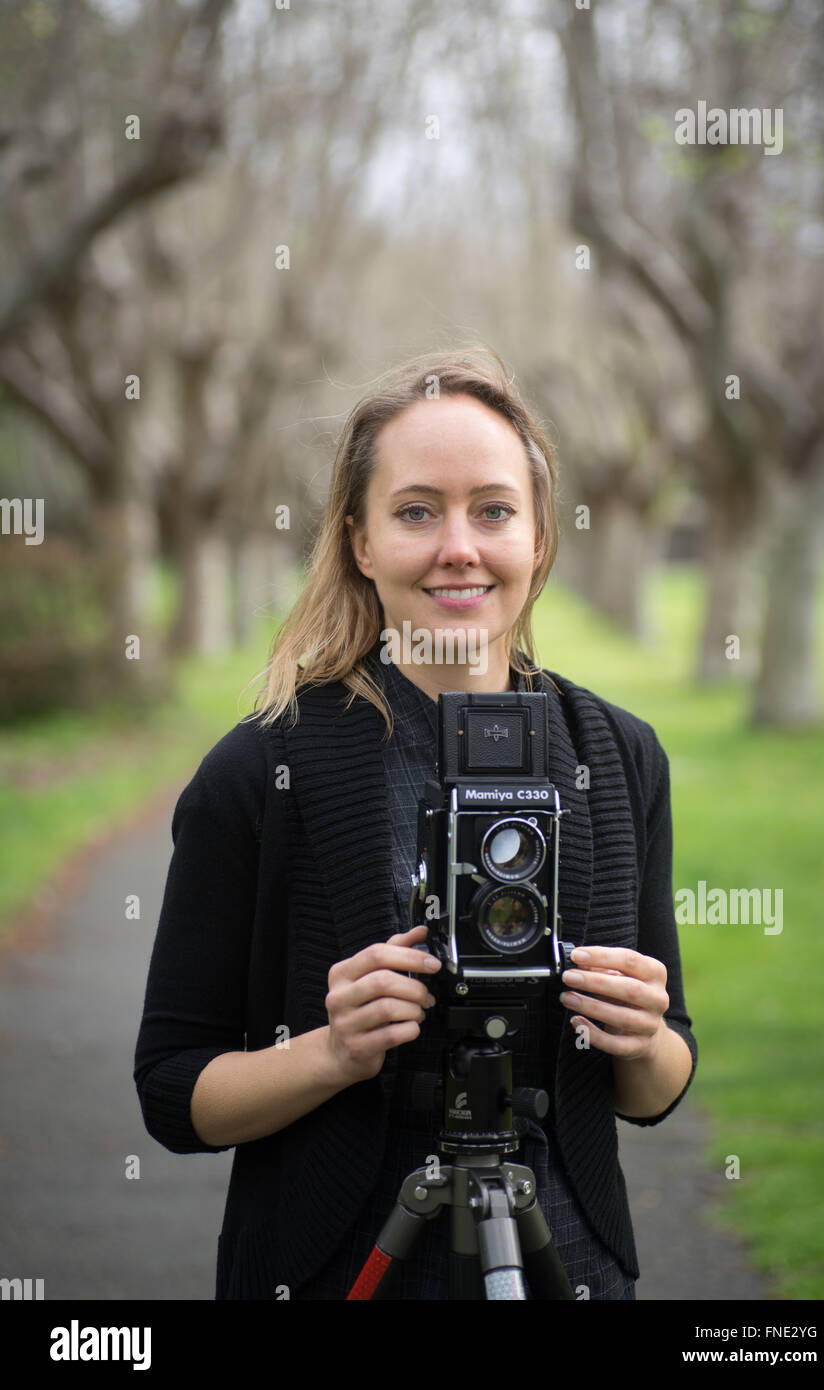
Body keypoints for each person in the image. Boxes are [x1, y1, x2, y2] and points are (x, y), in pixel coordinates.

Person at [134, 346, 697, 1301]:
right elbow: (174, 1094)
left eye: (493, 509)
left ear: (539, 536)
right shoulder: (262, 770)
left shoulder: (619, 755)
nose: (459, 547)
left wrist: (641, 1038)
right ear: (359, 543)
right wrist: (329, 1052)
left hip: (568, 1253)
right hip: (334, 1264)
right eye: (415, 512)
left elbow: (656, 1085)